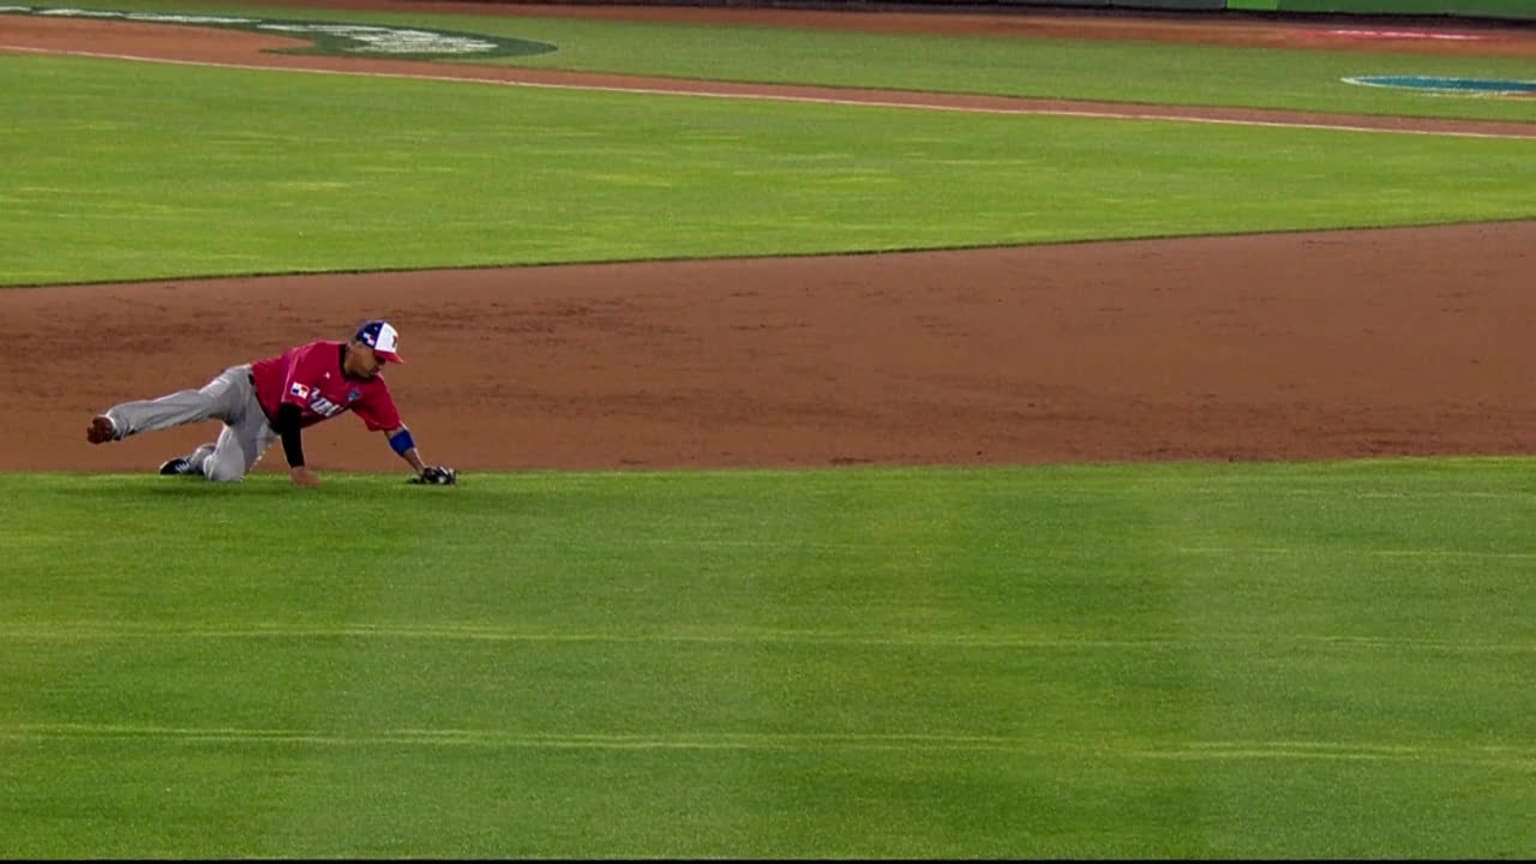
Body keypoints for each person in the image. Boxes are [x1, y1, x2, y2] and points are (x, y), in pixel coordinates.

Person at [86, 319, 450, 486]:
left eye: (386, 360)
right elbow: (292, 410)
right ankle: (118, 423)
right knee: (196, 403)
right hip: (244, 386)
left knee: (225, 476)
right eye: (378, 356)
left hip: (264, 425)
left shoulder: (371, 387)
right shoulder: (318, 356)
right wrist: (297, 468)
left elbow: (393, 429)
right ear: (356, 344)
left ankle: (198, 460)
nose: (381, 364)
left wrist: (421, 468)